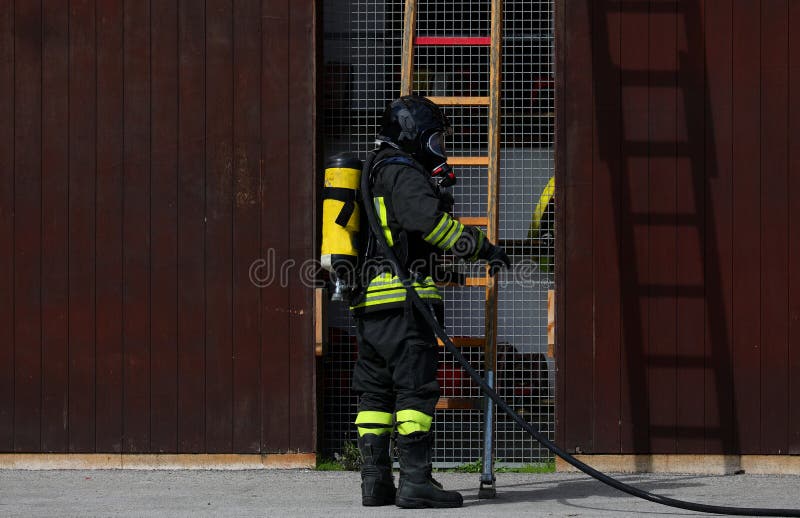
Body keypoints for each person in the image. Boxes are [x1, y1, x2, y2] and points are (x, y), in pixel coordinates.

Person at [350, 95, 510, 509]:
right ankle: (416, 482)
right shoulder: (403, 171)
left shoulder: (371, 172)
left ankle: (375, 483)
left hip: (368, 305)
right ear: (413, 133)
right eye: (435, 139)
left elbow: (392, 238)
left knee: (375, 395)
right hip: (406, 305)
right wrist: (482, 249)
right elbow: (428, 223)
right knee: (414, 393)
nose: (439, 149)